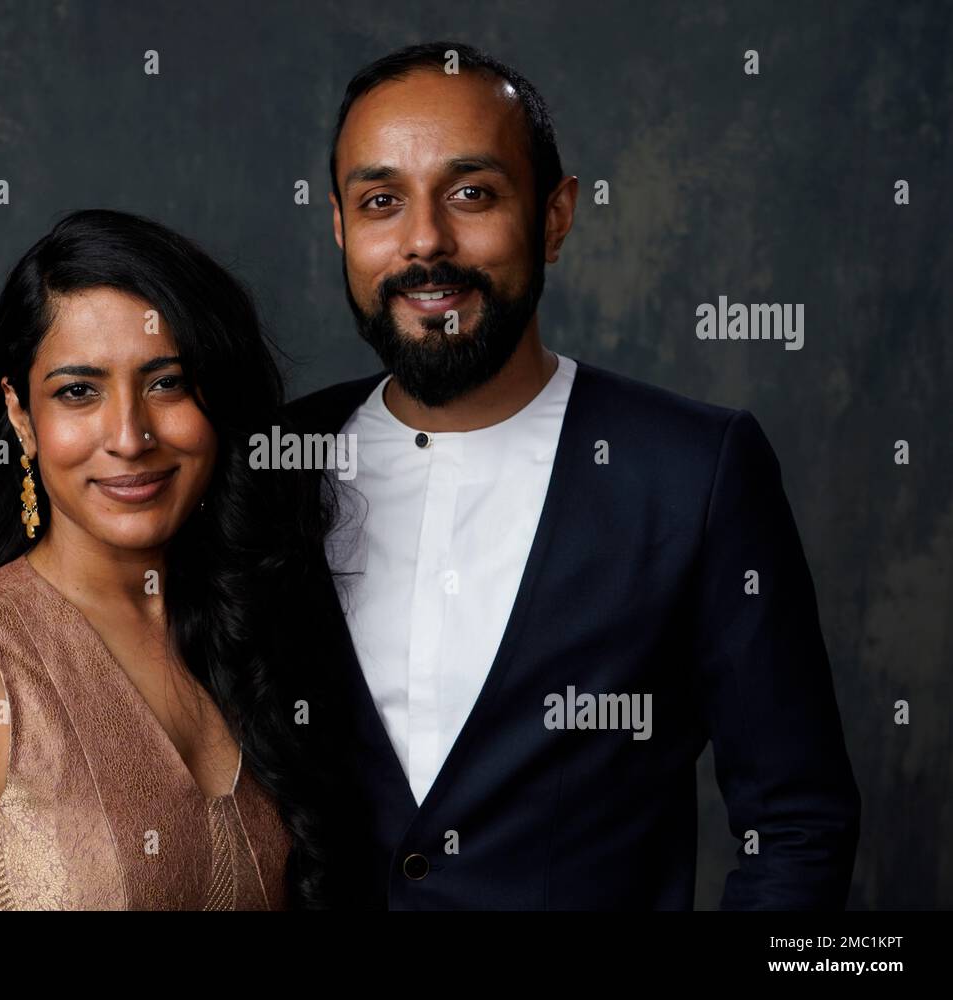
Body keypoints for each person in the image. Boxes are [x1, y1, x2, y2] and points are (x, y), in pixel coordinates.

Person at [288, 41, 861, 909]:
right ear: (340, 226)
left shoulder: (693, 471)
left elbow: (797, 825)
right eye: (381, 202)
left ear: (555, 217)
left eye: (471, 193)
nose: (424, 242)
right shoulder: (275, 463)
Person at [0, 209, 337, 909]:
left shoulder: (262, 633)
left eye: (166, 383)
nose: (130, 436)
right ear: (20, 416)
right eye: (79, 392)